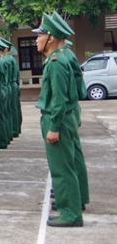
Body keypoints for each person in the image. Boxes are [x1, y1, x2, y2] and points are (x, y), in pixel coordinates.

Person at [33, 14, 84, 227]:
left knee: (62, 169)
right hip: (64, 119)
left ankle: (70, 214)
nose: (36, 40)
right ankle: (70, 209)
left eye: (40, 36)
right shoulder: (58, 59)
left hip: (58, 121)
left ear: (50, 38)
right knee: (65, 167)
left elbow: (59, 99)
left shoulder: (55, 62)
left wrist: (53, 126)